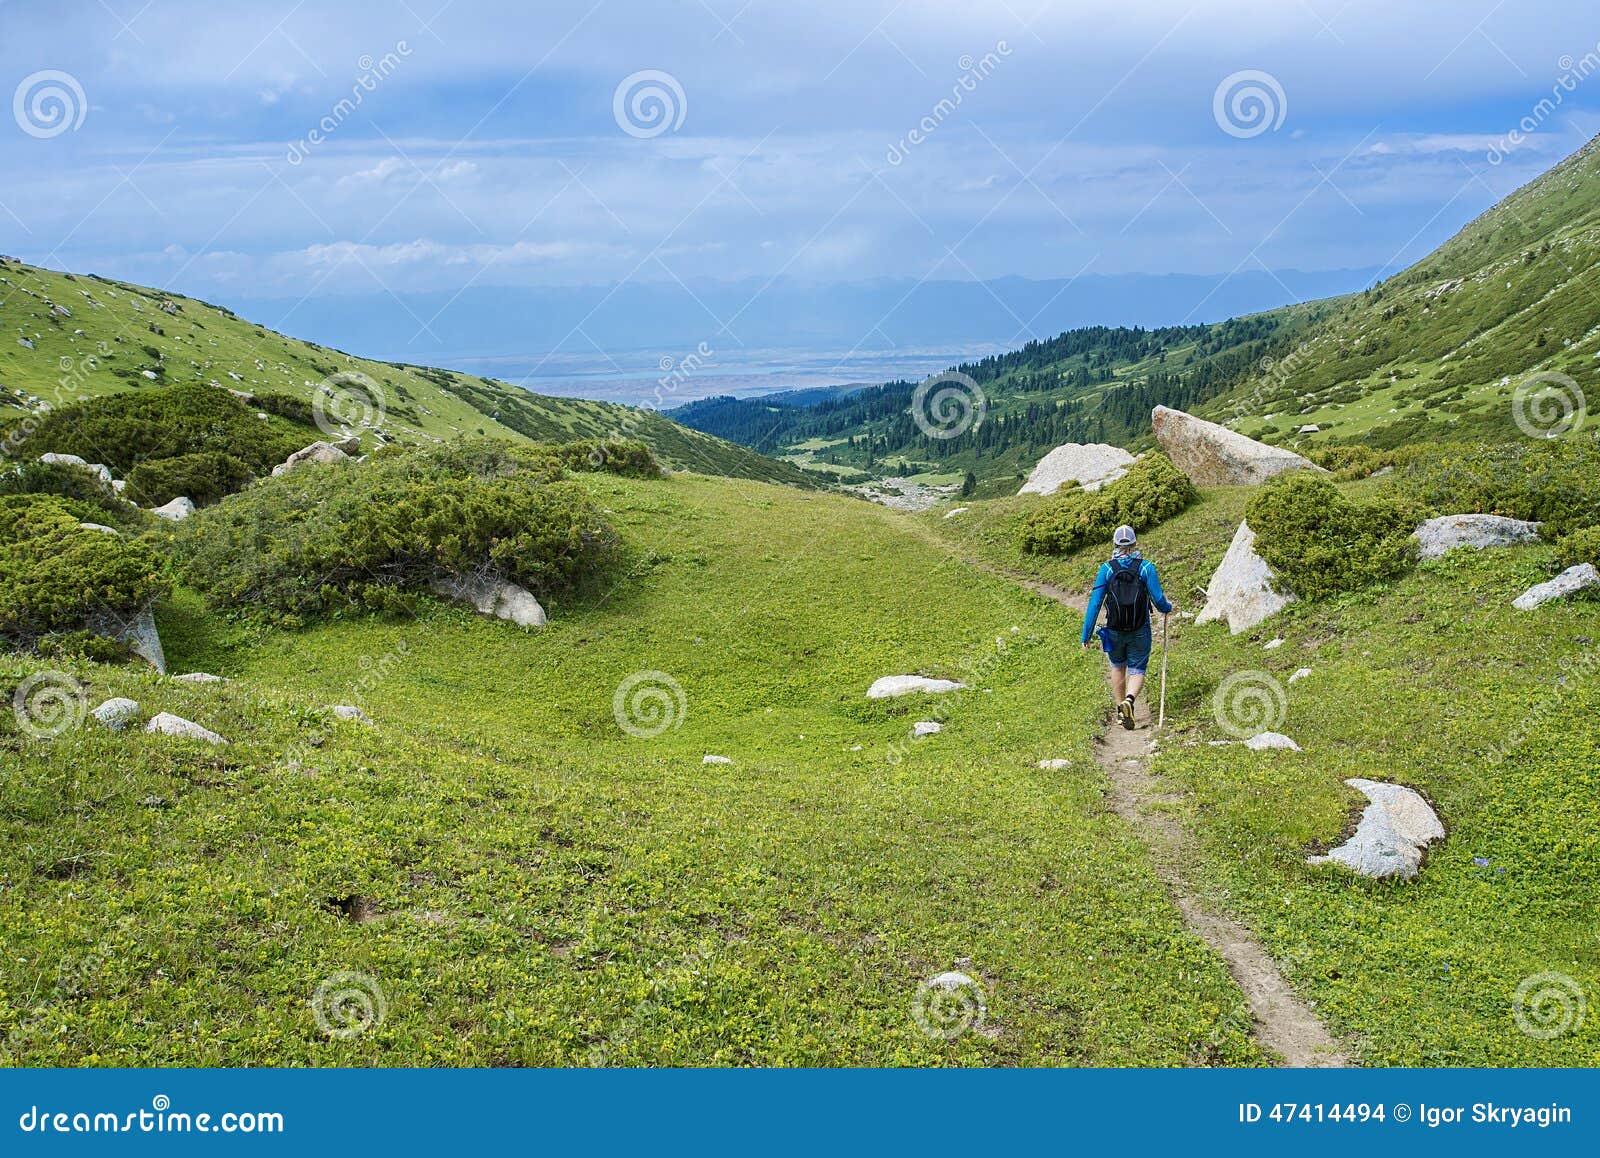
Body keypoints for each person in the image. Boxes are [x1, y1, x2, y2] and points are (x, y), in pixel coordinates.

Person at [1080, 524, 1174, 729]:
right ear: (1134, 543)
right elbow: (1158, 600)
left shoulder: (1106, 569)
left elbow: (1095, 603)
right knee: (1137, 668)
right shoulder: (1145, 567)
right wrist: (1168, 608)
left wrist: (1086, 634)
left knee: (1117, 666)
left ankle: (1120, 711)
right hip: (1140, 629)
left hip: (1114, 629)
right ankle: (1129, 701)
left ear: (1114, 544)